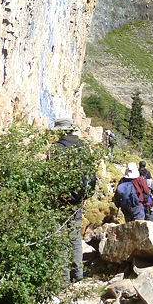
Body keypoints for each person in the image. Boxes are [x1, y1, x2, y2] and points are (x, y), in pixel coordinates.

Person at [49, 116, 94, 284]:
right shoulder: (84, 146)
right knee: (75, 236)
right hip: (78, 199)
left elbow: (51, 176)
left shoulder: (56, 149)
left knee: (61, 237)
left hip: (60, 199)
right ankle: (79, 274)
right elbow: (90, 173)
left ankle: (63, 278)